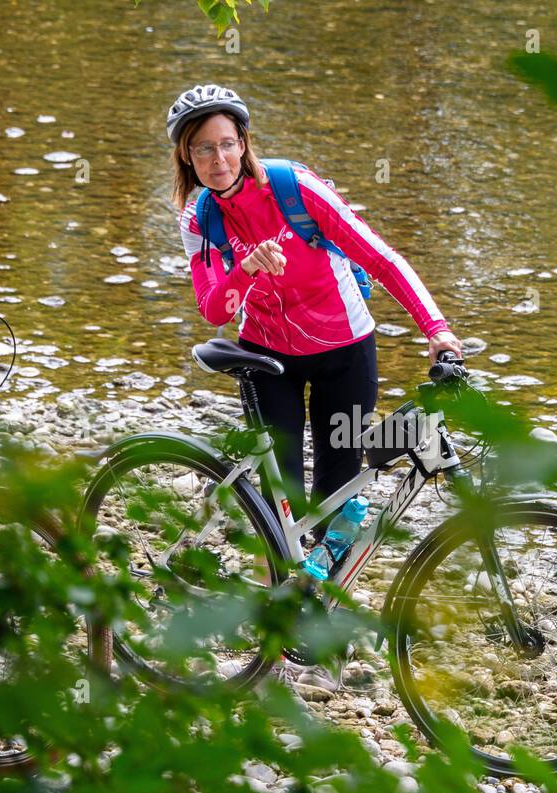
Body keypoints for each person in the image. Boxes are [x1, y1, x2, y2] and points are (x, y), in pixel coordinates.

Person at [169, 83, 462, 528]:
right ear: (187, 157)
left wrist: (435, 328)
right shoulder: (200, 221)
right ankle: (280, 585)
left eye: (227, 144)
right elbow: (215, 311)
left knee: (339, 482)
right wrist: (246, 268)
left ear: (244, 142)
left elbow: (381, 259)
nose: (218, 159)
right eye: (203, 149)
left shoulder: (298, 190)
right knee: (280, 498)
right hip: (266, 360)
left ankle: (321, 588)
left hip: (345, 351)